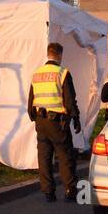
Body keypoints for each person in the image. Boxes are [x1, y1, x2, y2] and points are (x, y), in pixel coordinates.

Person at [27, 43, 81, 202]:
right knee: (65, 156)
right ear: (59, 55)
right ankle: (70, 190)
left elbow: (31, 99)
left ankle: (48, 192)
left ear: (48, 54)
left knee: (44, 157)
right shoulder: (62, 73)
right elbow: (70, 99)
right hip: (58, 123)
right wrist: (75, 118)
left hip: (41, 122)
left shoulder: (37, 73)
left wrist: (34, 117)